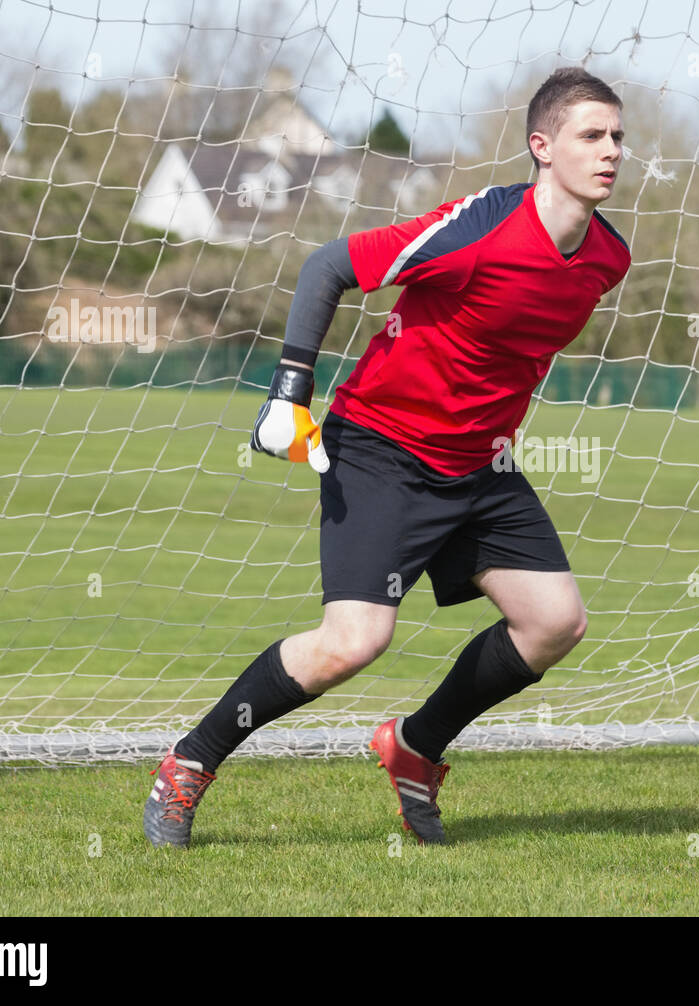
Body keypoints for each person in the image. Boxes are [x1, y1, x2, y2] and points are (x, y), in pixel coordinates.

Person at [143, 66, 630, 847]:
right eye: (591, 136)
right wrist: (290, 392)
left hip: (478, 466)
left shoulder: (608, 258)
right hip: (383, 450)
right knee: (354, 643)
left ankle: (415, 747)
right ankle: (189, 763)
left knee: (554, 621)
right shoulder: (476, 230)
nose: (610, 151)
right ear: (542, 146)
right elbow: (328, 265)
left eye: (617, 138)